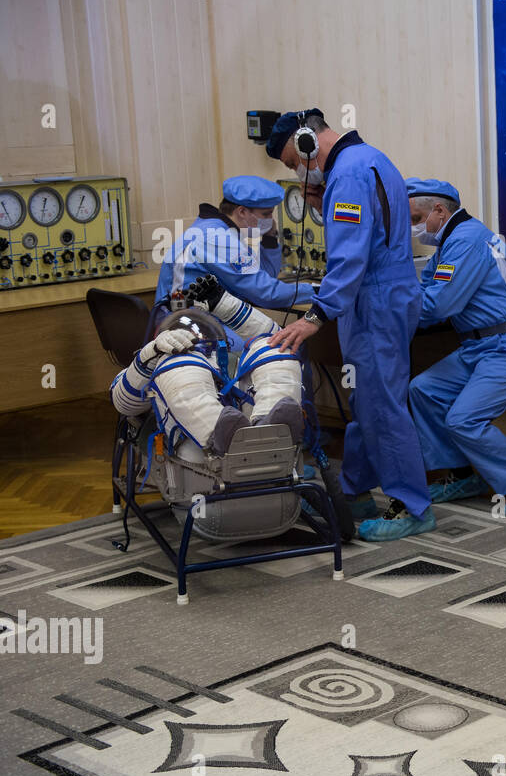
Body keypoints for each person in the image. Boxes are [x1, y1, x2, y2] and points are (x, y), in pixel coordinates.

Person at [262, 109, 434, 541]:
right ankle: (356, 489)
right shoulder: (367, 159)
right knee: (366, 400)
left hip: (374, 300)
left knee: (384, 406)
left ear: (306, 142)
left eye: (292, 162)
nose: (300, 172)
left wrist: (316, 315)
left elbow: (350, 258)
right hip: (380, 296)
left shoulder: (348, 175)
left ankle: (413, 506)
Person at [405, 178, 506, 515]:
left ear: (439, 210)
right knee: (423, 390)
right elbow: (425, 292)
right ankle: (462, 473)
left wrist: (387, 307)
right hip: (480, 347)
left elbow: (438, 307)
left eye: (415, 219)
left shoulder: (467, 240)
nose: (413, 228)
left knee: (463, 419)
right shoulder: (450, 241)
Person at [113, 276, 302, 456]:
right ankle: (222, 435)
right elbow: (123, 403)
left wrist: (226, 305)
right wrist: (149, 354)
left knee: (276, 349)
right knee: (179, 366)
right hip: (196, 445)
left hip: (252, 429)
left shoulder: (232, 362)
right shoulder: (158, 362)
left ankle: (273, 429)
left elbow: (278, 339)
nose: (198, 344)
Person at [155, 176, 311, 312]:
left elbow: (262, 278)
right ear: (242, 211)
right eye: (266, 214)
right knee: (280, 344)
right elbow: (266, 293)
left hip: (198, 315)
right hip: (184, 322)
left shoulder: (219, 229)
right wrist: (320, 290)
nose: (270, 220)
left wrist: (270, 238)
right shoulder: (218, 239)